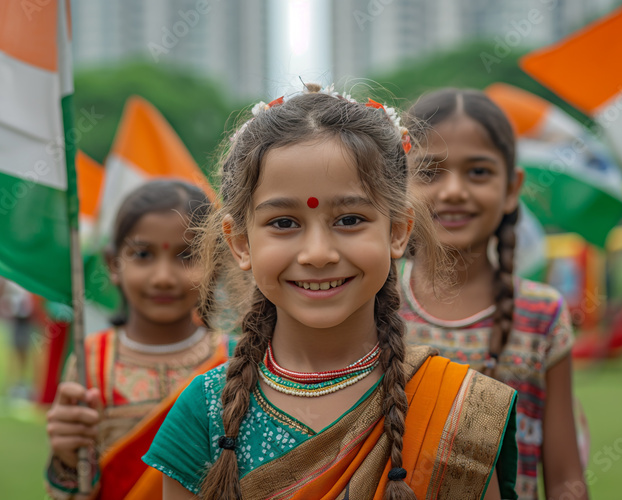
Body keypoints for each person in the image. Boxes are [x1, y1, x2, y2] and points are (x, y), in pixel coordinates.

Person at [144, 86, 520, 500]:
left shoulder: (457, 408)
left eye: (350, 219)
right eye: (284, 223)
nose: (318, 254)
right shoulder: (206, 412)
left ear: (398, 230)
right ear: (240, 243)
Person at [400, 88, 587, 500]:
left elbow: (565, 478)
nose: (453, 191)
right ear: (400, 184)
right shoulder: (374, 303)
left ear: (511, 188)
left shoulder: (542, 315)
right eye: (431, 172)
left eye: (478, 172)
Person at [45, 180, 225, 500]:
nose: (163, 277)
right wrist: (68, 458)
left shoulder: (237, 359)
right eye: (143, 254)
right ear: (113, 264)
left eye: (187, 255)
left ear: (214, 263)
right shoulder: (91, 361)